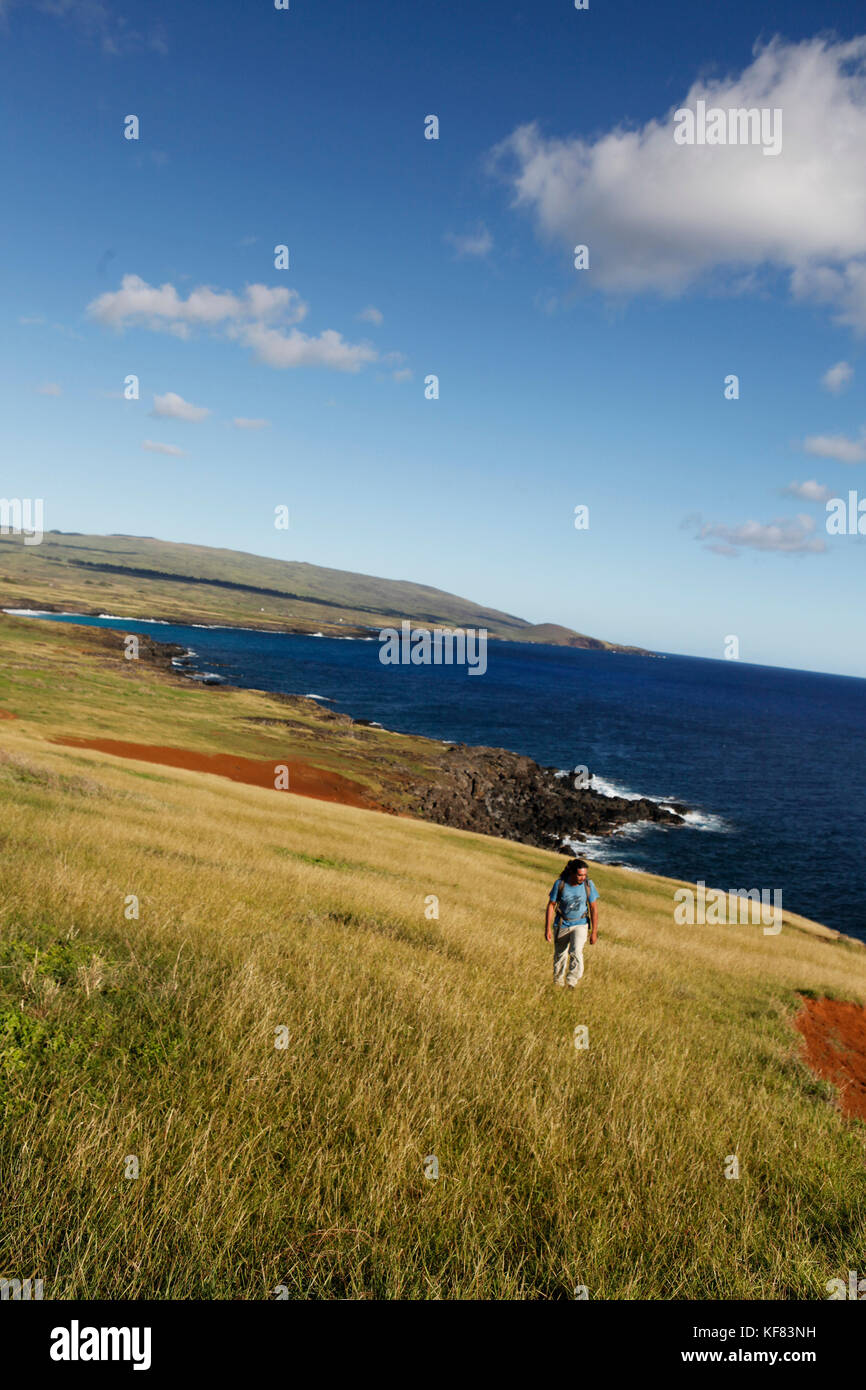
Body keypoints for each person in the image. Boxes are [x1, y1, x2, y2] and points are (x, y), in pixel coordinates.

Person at [545, 858, 599, 988]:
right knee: (560, 955)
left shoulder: (588, 885)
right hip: (562, 924)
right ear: (572, 873)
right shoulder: (560, 884)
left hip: (580, 923)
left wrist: (594, 932)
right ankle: (558, 983)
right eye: (580, 875)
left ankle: (571, 983)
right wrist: (547, 928)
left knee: (576, 951)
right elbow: (551, 905)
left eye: (585, 875)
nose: (583, 878)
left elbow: (593, 908)